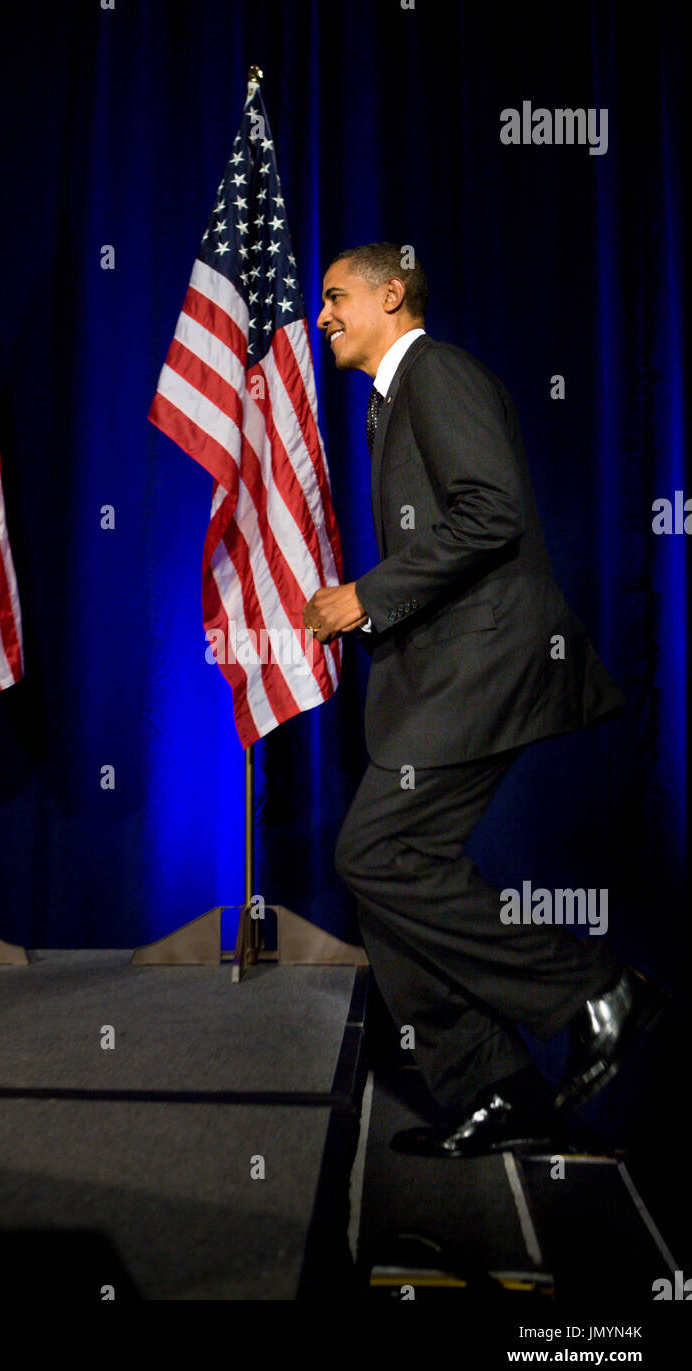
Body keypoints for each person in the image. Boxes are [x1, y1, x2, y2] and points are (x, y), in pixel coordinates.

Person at [303, 241, 669, 1157]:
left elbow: (492, 511)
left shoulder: (436, 372)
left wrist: (368, 596)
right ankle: (492, 1086)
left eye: (339, 296)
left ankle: (595, 985)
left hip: (489, 665)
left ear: (394, 294)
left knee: (377, 850)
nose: (324, 317)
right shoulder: (396, 395)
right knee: (387, 868)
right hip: (449, 672)